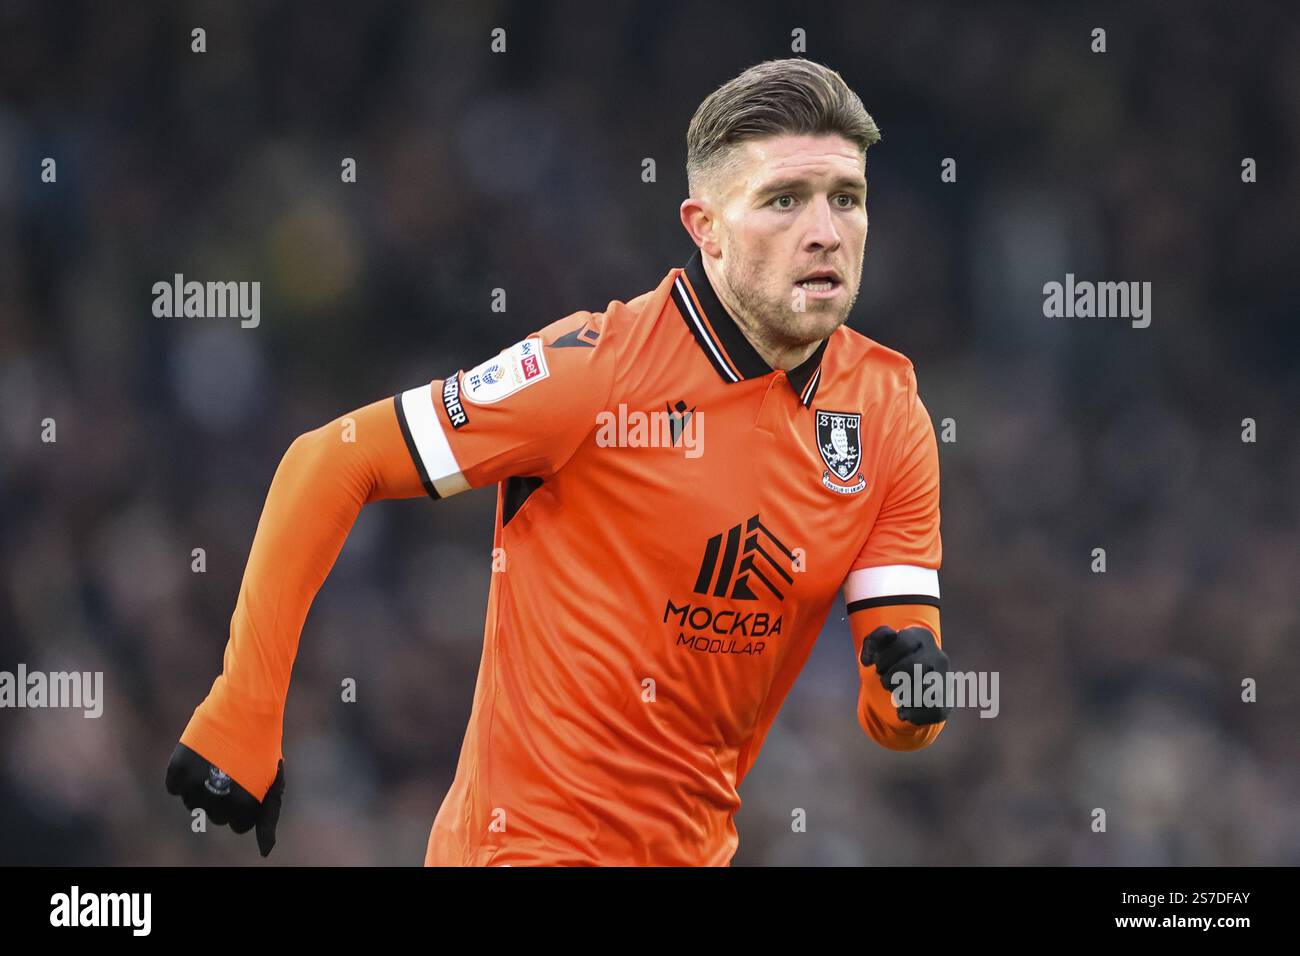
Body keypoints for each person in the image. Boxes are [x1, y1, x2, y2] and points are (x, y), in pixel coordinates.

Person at [165, 57, 952, 866]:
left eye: (846, 199)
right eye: (785, 200)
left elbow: (896, 704)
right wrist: (244, 709)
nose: (825, 230)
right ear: (705, 227)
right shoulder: (593, 372)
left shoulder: (887, 414)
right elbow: (328, 461)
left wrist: (919, 695)